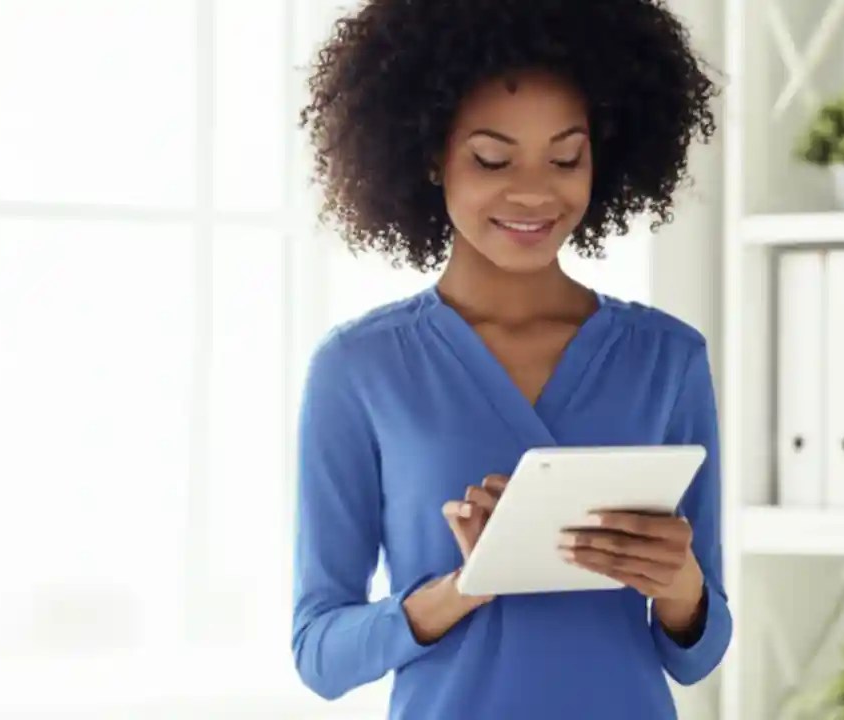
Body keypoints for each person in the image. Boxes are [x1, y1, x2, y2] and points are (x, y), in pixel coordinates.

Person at [290, 1, 731, 717]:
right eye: (492, 158)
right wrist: (464, 589)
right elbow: (319, 653)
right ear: (431, 152)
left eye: (566, 158)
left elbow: (701, 652)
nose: (534, 192)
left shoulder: (667, 358)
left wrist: (680, 585)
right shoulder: (359, 368)